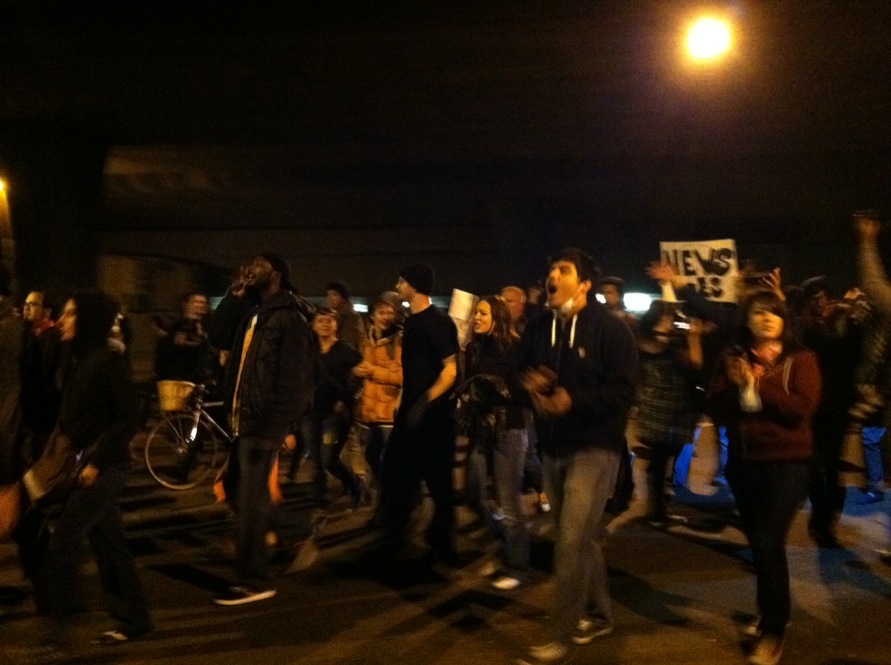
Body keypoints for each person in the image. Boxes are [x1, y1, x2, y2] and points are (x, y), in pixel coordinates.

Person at [516, 248, 638, 665]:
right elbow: (518, 369)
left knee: (568, 542)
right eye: (550, 269)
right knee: (580, 538)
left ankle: (560, 636)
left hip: (596, 447)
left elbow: (624, 392)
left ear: (584, 284)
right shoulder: (538, 327)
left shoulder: (610, 330)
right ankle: (600, 614)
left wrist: (574, 401)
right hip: (552, 447)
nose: (552, 276)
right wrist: (530, 385)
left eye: (563, 271)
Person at [708, 290, 821, 665]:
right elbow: (715, 406)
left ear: (785, 320)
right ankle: (772, 609)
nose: (768, 318)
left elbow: (801, 409)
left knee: (770, 539)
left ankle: (773, 629)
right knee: (759, 543)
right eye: (759, 312)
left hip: (789, 464)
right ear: (747, 321)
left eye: (775, 312)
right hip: (744, 464)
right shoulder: (733, 359)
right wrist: (734, 384)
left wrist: (756, 386)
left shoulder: (801, 360)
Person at [37, 290, 152, 648]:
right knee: (110, 544)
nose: (62, 321)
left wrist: (97, 464)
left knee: (64, 541)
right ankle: (135, 618)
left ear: (87, 319)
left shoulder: (106, 361)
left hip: (103, 467)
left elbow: (129, 417)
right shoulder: (79, 358)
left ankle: (57, 623)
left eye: (71, 315)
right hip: (86, 464)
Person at [210, 253, 316, 605]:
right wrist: (233, 295)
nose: (248, 267)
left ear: (277, 274)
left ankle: (255, 580)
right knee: (236, 488)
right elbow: (217, 335)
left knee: (252, 502)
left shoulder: (290, 318)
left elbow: (295, 382)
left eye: (257, 263)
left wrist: (278, 428)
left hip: (263, 426)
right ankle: (298, 531)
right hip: (244, 421)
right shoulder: (252, 312)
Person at [378, 263, 460, 566]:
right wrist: (403, 400)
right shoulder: (411, 322)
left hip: (434, 419)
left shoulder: (437, 322)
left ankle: (444, 545)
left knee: (439, 485)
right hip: (411, 415)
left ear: (413, 284)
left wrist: (424, 401)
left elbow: (450, 369)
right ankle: (397, 538)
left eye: (401, 280)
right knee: (398, 475)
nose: (397, 284)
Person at [460, 295, 531, 590]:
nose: (476, 317)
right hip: (481, 426)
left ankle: (517, 566)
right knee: (473, 489)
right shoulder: (474, 348)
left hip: (509, 428)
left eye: (483, 313)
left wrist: (500, 389)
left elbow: (525, 392)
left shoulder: (516, 348)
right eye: (476, 312)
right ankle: (506, 542)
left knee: (509, 499)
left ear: (497, 318)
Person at [635, 300, 703, 527]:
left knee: (658, 458)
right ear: (662, 317)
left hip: (652, 405)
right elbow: (696, 363)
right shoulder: (670, 344)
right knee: (664, 457)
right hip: (672, 409)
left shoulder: (642, 338)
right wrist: (694, 337)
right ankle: (657, 510)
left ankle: (655, 507)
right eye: (670, 316)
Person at [301, 307, 364, 510]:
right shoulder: (309, 350)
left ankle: (355, 486)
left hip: (335, 414)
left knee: (329, 458)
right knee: (315, 458)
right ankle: (319, 499)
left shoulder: (345, 350)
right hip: (310, 412)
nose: (324, 325)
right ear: (314, 325)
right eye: (320, 321)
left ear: (335, 324)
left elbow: (359, 377)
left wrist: (346, 399)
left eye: (329, 321)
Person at [353, 291, 403, 499]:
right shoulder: (365, 340)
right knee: (371, 455)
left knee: (389, 459)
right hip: (369, 411)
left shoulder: (398, 342)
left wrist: (372, 371)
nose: (386, 316)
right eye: (382, 312)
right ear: (372, 315)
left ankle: (394, 499)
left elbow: (402, 376)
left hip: (390, 412)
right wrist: (356, 371)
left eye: (390, 313)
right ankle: (388, 495)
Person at [154, 291, 214, 382]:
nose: (201, 305)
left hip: (202, 378)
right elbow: (164, 349)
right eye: (196, 302)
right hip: (178, 378)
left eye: (204, 302)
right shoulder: (174, 326)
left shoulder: (209, 327)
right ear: (185, 304)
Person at [326, 280, 366, 349]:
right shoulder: (331, 316)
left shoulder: (352, 317)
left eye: (334, 294)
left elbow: (350, 342)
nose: (330, 298)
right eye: (328, 294)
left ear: (343, 298)